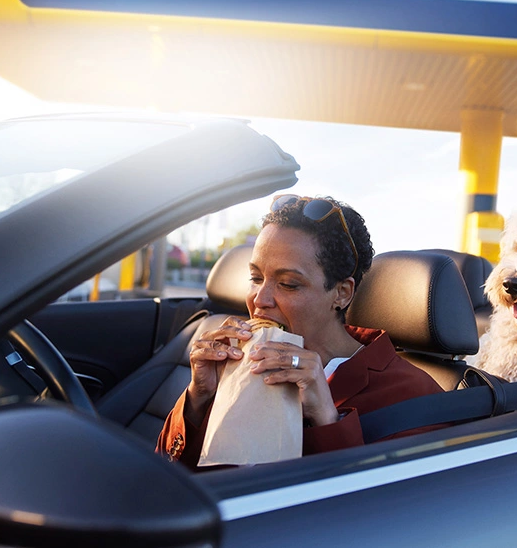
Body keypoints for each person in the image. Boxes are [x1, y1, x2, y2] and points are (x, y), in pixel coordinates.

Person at [156, 195, 445, 467]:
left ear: (342, 293)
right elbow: (165, 475)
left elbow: (376, 513)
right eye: (256, 277)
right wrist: (199, 398)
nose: (259, 299)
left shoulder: (413, 396)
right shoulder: (238, 363)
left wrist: (326, 418)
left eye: (289, 284)